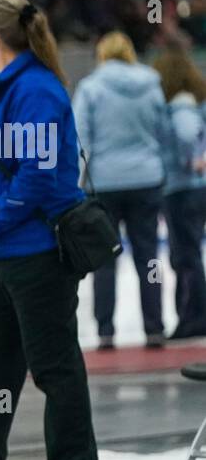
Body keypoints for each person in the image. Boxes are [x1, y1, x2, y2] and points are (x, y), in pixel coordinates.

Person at [0, 0, 101, 460]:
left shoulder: (36, 91)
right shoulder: (1, 93)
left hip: (36, 253)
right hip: (2, 254)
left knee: (53, 363)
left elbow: (40, 176)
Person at [72, 31, 169, 349]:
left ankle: (105, 331)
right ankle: (154, 328)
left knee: (105, 259)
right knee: (149, 258)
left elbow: (81, 139)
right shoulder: (152, 86)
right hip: (146, 179)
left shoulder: (90, 89)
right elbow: (164, 132)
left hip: (106, 184)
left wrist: (80, 183)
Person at [153, 49, 206, 340]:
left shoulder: (179, 106)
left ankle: (194, 318)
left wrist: (191, 158)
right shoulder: (196, 102)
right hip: (195, 187)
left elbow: (188, 134)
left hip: (181, 188)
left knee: (185, 255)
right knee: (189, 253)